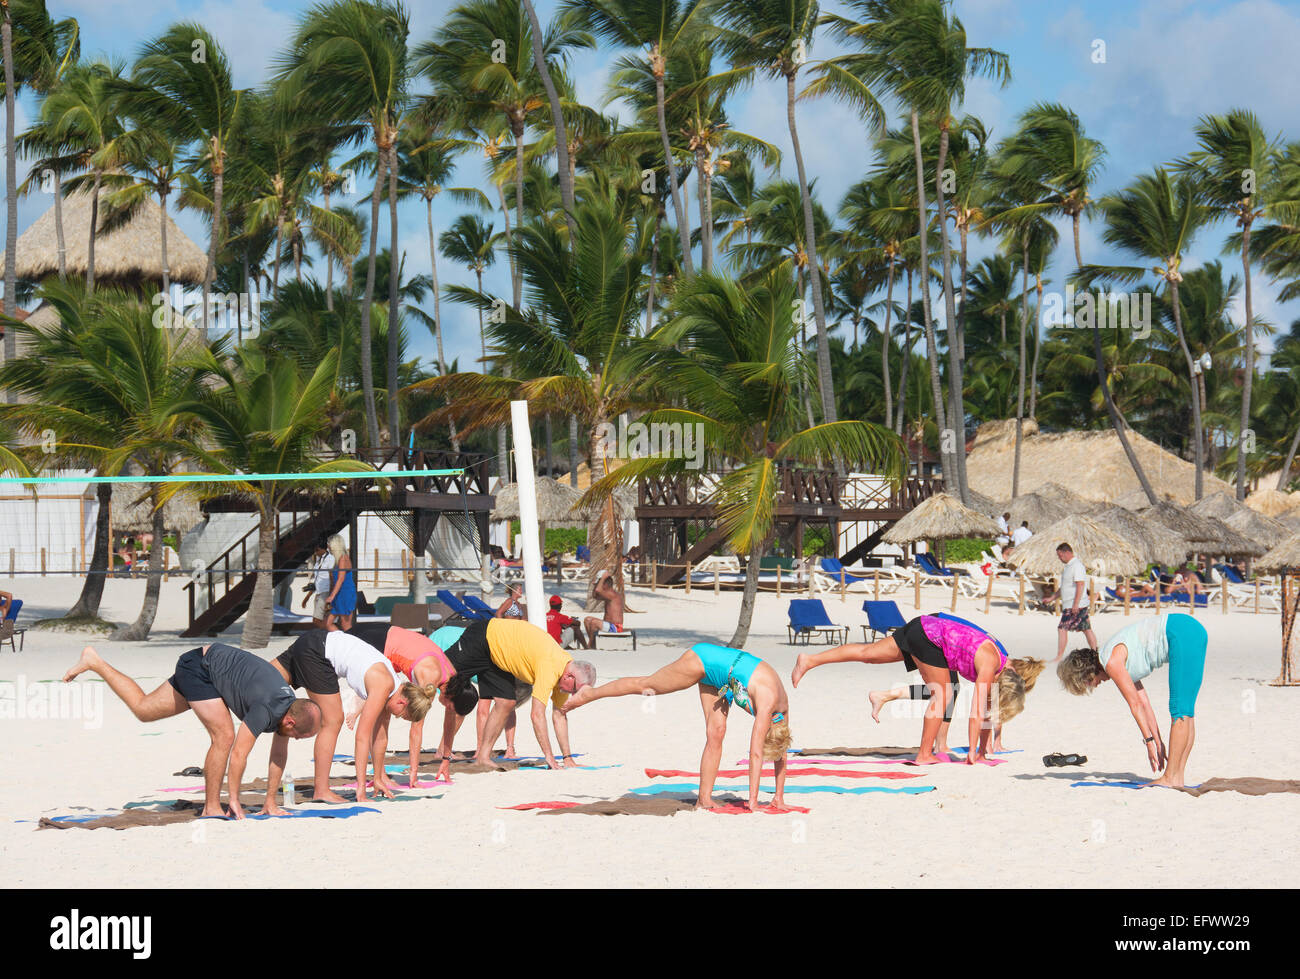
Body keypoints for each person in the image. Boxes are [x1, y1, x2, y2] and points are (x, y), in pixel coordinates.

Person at [62, 643, 321, 819]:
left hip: (210, 667)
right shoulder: (268, 707)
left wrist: (270, 802)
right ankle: (212, 807)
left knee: (143, 709)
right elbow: (240, 754)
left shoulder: (289, 706)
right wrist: (234, 799)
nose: (297, 740)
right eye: (300, 736)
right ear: (290, 722)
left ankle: (94, 662)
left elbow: (278, 755)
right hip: (200, 668)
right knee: (225, 736)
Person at [562, 643, 791, 810]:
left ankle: (704, 798)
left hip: (724, 680)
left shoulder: (782, 717)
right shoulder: (767, 702)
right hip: (704, 659)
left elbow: (781, 753)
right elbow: (756, 753)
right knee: (648, 686)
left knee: (716, 734)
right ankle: (590, 693)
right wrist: (753, 801)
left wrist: (778, 796)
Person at [791, 613, 1012, 765]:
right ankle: (925, 754)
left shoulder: (999, 666)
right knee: (943, 694)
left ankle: (810, 660)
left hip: (924, 626)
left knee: (869, 654)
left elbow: (986, 712)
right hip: (931, 635)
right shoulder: (991, 665)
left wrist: (982, 751)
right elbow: (978, 712)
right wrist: (973, 753)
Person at [273, 629, 427, 803]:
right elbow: (362, 737)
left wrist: (378, 777)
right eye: (402, 716)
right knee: (333, 720)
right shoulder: (384, 685)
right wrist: (361, 790)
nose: (397, 717)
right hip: (318, 652)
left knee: (265, 681)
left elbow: (380, 737)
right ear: (403, 703)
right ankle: (322, 790)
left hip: (315, 640)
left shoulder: (392, 683)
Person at [1058, 612, 1208, 788]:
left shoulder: (1112, 663)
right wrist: (1157, 740)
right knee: (1186, 711)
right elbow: (1144, 703)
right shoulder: (1114, 656)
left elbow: (1135, 705)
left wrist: (1149, 743)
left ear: (1086, 672)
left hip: (1180, 632)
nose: (1094, 686)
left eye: (1088, 683)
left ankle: (1170, 777)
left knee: (1179, 710)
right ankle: (1177, 775)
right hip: (1190, 630)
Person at [442, 618, 595, 770]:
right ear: (570, 677)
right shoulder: (552, 665)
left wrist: (567, 758)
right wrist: (549, 756)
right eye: (575, 690)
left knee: (506, 702)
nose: (573, 694)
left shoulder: (566, 673)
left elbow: (560, 715)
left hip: (498, 657)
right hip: (484, 636)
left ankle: (483, 757)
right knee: (440, 674)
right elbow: (537, 714)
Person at [348, 622, 479, 785]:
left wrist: (446, 759)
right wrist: (414, 773)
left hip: (386, 631)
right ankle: (380, 776)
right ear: (451, 696)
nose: (447, 709)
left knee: (385, 710)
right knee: (384, 714)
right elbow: (416, 730)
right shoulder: (430, 679)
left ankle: (380, 775)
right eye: (449, 707)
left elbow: (450, 721)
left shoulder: (453, 677)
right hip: (375, 641)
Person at [1050, 542, 1098, 661]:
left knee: (1062, 628)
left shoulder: (1077, 565)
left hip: (1075, 604)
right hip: (1072, 604)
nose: (1059, 558)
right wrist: (1052, 598)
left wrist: (1075, 604)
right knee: (1086, 629)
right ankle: (1096, 652)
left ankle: (1059, 657)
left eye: (1060, 555)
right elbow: (1064, 587)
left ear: (1067, 552)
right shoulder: (1069, 567)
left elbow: (1080, 584)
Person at [298, 540, 335, 629]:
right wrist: (307, 597)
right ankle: (327, 636)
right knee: (322, 619)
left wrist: (330, 596)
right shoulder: (319, 559)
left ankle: (332, 634)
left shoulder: (330, 559)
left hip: (325, 592)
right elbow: (317, 581)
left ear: (323, 549)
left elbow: (332, 578)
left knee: (316, 620)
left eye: (317, 550)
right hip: (319, 592)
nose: (316, 552)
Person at [323, 534, 356, 631]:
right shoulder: (338, 559)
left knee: (346, 625)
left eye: (329, 544)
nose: (328, 546)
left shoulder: (343, 558)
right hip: (339, 593)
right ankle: (342, 640)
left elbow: (341, 579)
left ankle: (349, 643)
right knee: (328, 623)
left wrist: (331, 596)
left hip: (345, 593)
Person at [584, 570, 625, 645]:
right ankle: (592, 643)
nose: (600, 586)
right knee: (587, 619)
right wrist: (595, 584)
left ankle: (590, 644)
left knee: (593, 622)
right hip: (608, 625)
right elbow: (595, 596)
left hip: (616, 627)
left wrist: (602, 578)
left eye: (601, 584)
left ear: (605, 584)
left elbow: (598, 590)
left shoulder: (613, 594)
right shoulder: (608, 595)